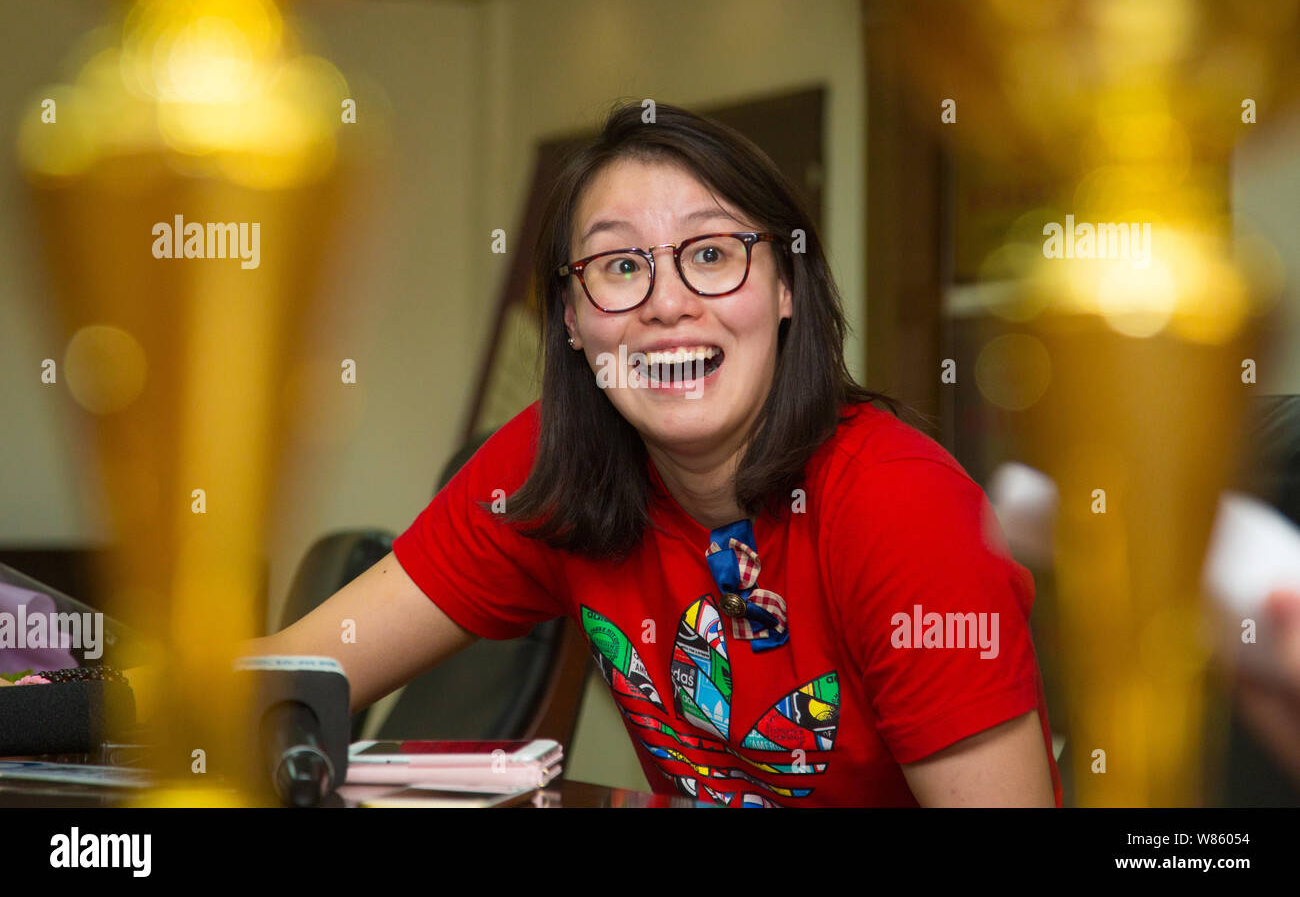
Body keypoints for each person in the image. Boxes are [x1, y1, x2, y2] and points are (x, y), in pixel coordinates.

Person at [252, 101, 1062, 807]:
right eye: (620, 266)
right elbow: (293, 673)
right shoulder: (554, 465)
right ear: (572, 320)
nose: (667, 303)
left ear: (786, 288)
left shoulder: (902, 507)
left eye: (712, 254)